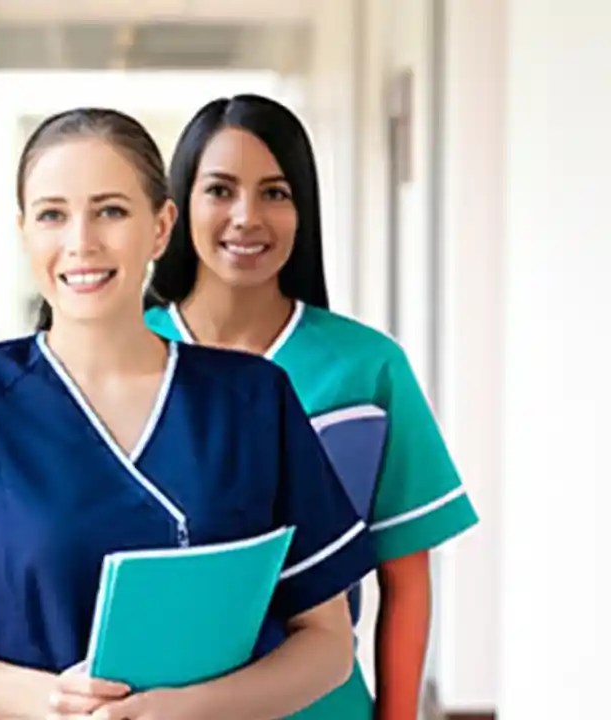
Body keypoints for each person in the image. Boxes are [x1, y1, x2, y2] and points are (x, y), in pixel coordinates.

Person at [0, 107, 376, 720]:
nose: (81, 241)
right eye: (53, 214)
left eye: (111, 211)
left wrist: (179, 710)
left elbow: (327, 642)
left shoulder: (254, 399)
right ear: (24, 231)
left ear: (161, 227)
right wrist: (52, 702)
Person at [144, 94, 480, 719]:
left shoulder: (367, 369)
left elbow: (404, 580)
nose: (247, 217)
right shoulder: (125, 350)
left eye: (275, 193)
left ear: (304, 211)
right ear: (176, 208)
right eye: (220, 190)